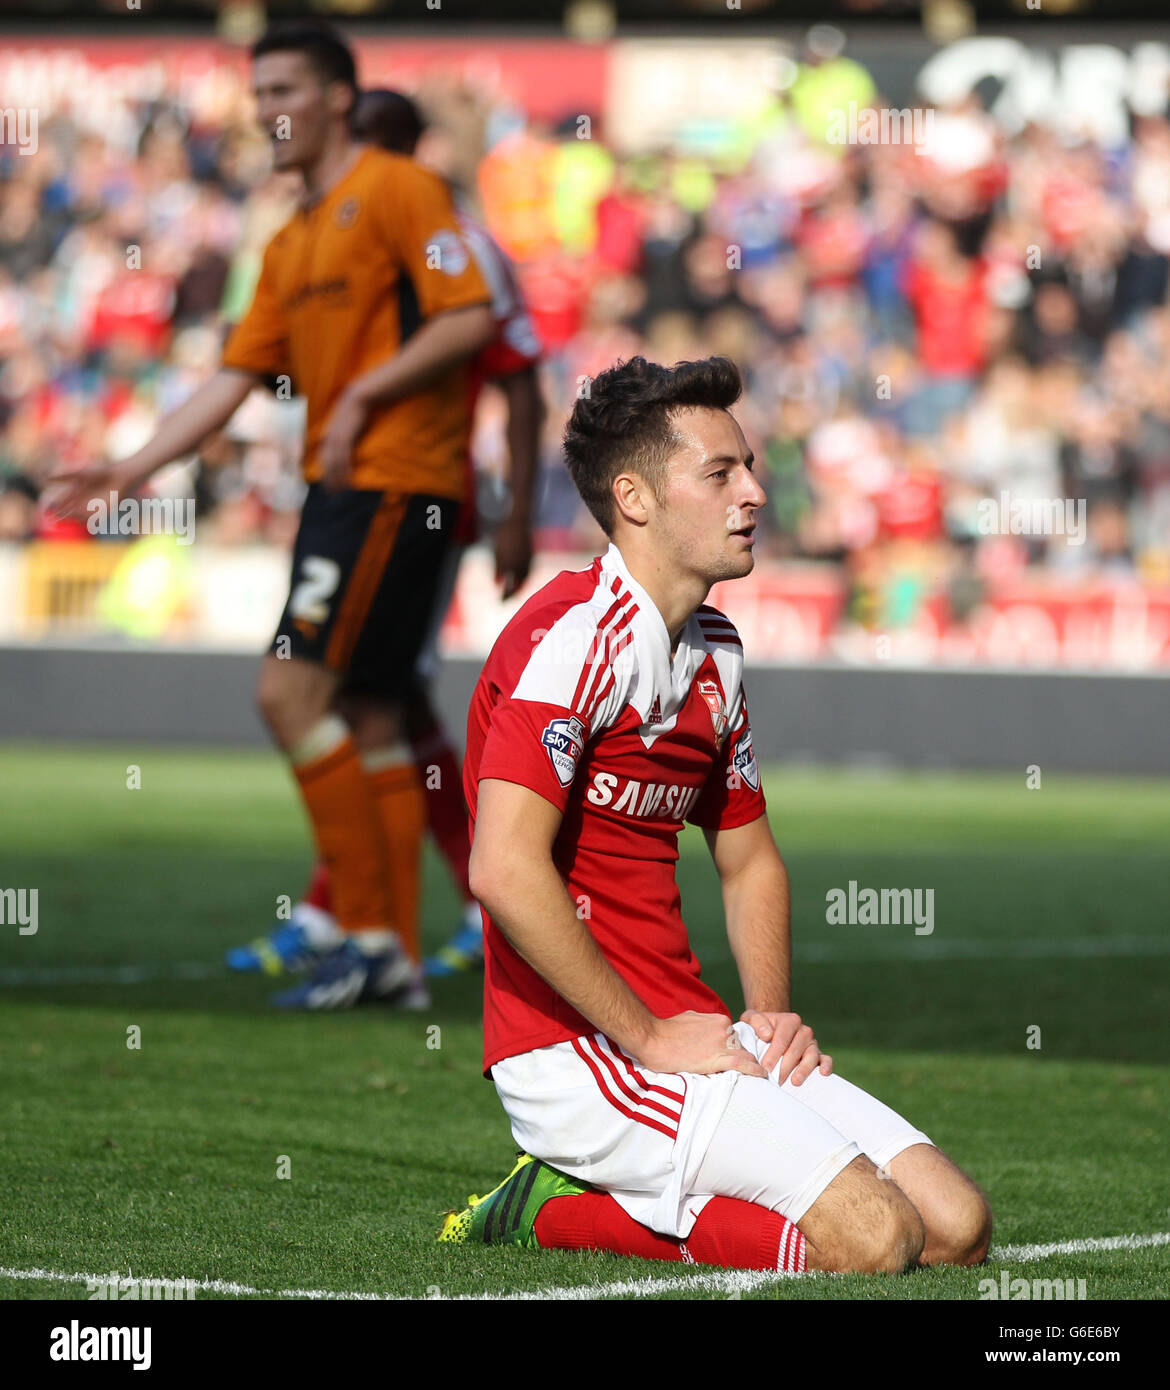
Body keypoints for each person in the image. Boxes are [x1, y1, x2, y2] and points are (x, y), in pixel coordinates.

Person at [440, 355, 992, 1273]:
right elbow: (501, 868)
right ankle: (550, 1208)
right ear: (635, 499)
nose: (755, 493)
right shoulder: (571, 640)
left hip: (692, 1034)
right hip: (579, 1053)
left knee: (956, 1227)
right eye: (721, 473)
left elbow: (751, 861)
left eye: (751, 468)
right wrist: (649, 1036)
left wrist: (770, 1014)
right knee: (878, 1240)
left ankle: (662, 1188)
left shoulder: (717, 650)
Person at [50, 23, 494, 1010]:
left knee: (287, 693)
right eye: (258, 94)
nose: (268, 111)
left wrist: (366, 392)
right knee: (370, 711)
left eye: (286, 89)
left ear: (339, 98)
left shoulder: (399, 189)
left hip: (391, 483)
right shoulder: (291, 238)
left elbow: (470, 316)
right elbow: (237, 375)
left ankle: (368, 939)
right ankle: (389, 959)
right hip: (342, 488)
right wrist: (132, 466)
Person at [226, 87, 544, 982]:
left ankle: (392, 916)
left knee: (370, 698)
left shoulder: (457, 244)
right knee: (376, 700)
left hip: (421, 500)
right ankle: (363, 916)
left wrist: (518, 510)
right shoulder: (327, 235)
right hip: (355, 493)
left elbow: (519, 377)